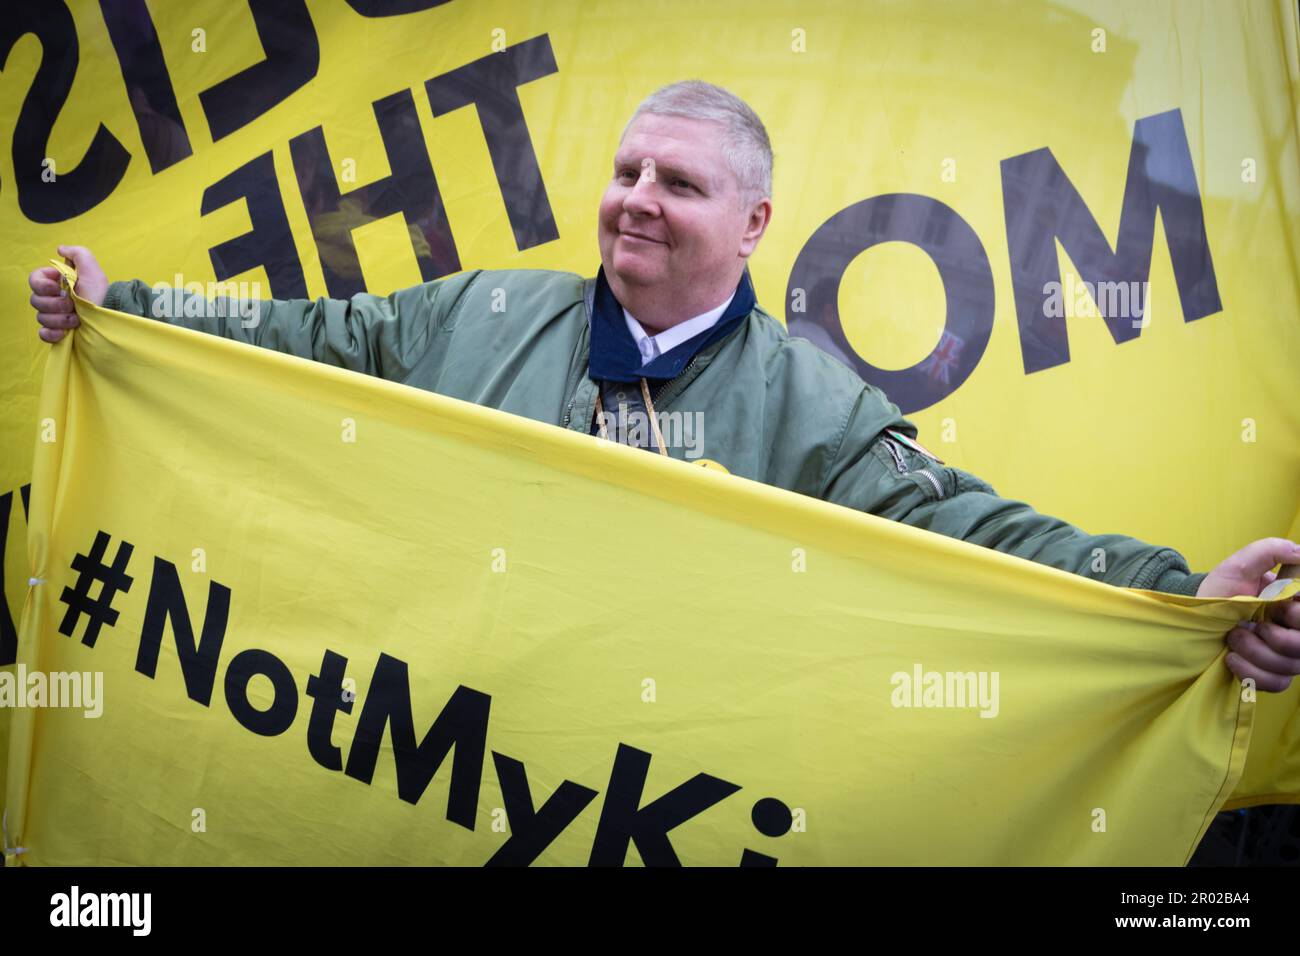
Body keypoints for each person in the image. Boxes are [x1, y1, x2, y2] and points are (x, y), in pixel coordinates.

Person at [28, 80, 1300, 692]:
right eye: (628, 169)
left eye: (677, 183)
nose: (636, 196)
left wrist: (1177, 591)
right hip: (407, 741)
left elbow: (978, 528)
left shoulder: (818, 410)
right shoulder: (478, 310)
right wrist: (122, 303)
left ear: (751, 226)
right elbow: (303, 332)